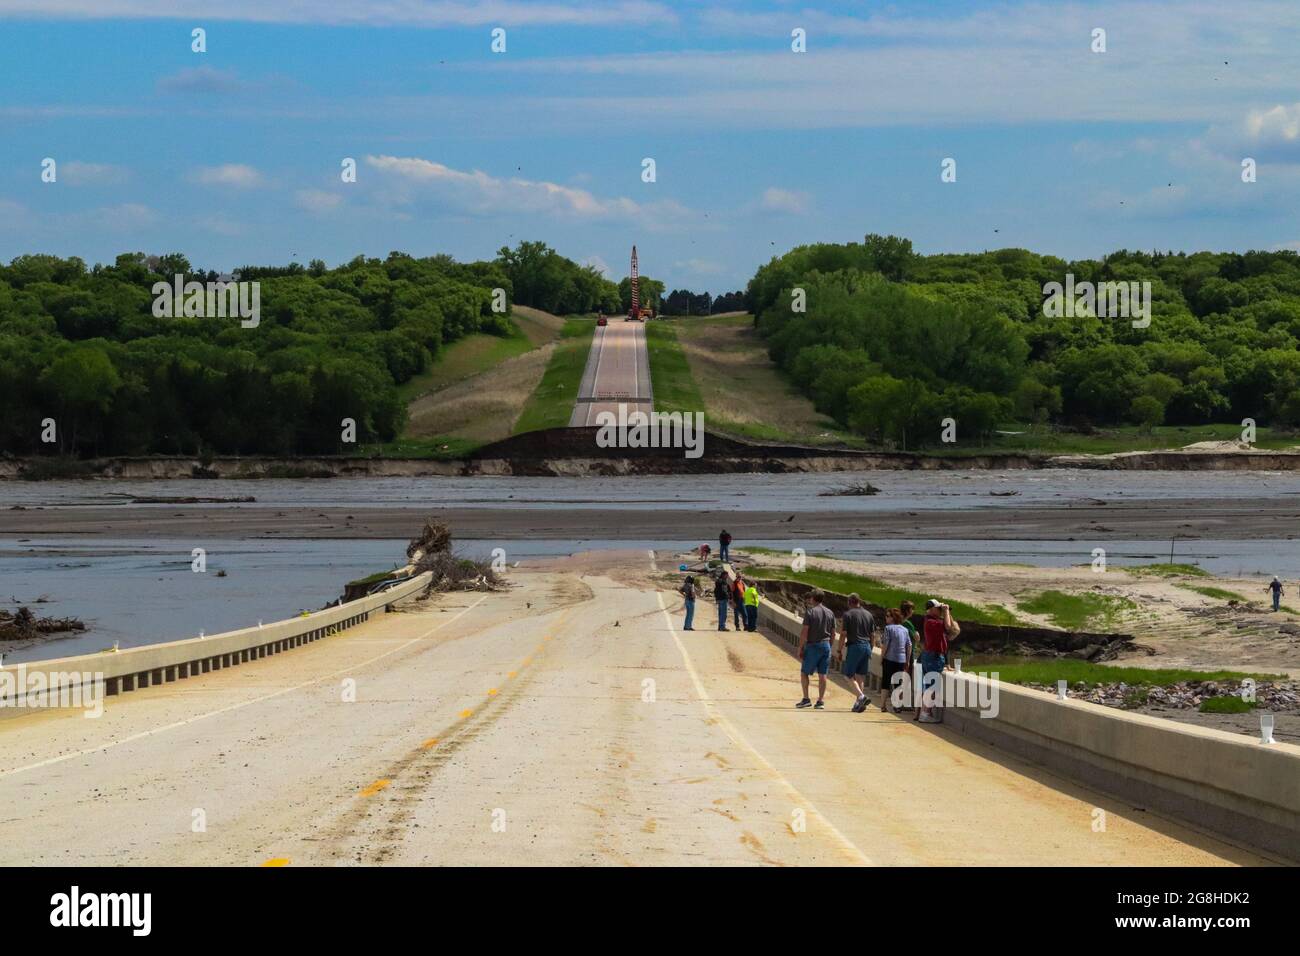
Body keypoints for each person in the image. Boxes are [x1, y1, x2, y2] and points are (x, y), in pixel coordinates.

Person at [918, 599, 958, 723]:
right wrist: (945, 611)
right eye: (938, 608)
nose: (941, 611)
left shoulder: (932, 620)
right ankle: (925, 714)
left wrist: (947, 612)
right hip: (933, 657)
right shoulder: (931, 622)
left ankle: (924, 713)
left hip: (929, 656)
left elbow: (952, 629)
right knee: (932, 687)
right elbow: (948, 626)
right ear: (932, 609)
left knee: (929, 686)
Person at [796, 589, 836, 710]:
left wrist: (800, 647)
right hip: (826, 645)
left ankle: (806, 699)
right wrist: (830, 645)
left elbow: (804, 631)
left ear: (813, 598)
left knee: (804, 673)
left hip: (813, 645)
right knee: (823, 674)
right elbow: (833, 633)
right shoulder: (830, 613)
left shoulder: (811, 612)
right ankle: (820, 701)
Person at [838, 593, 875, 712]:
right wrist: (871, 649)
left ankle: (861, 696)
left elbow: (843, 634)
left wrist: (839, 650)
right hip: (867, 646)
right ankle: (859, 704)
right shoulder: (869, 614)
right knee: (860, 675)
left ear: (850, 602)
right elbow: (872, 635)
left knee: (848, 675)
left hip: (855, 646)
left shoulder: (848, 614)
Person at [879, 608, 913, 714]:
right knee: (898, 683)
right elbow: (909, 645)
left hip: (889, 658)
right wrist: (907, 660)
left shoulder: (888, 628)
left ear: (893, 618)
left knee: (886, 682)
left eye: (888, 616)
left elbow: (886, 644)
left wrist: (882, 657)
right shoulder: (904, 630)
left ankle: (883, 705)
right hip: (901, 660)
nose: (886, 617)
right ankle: (897, 705)